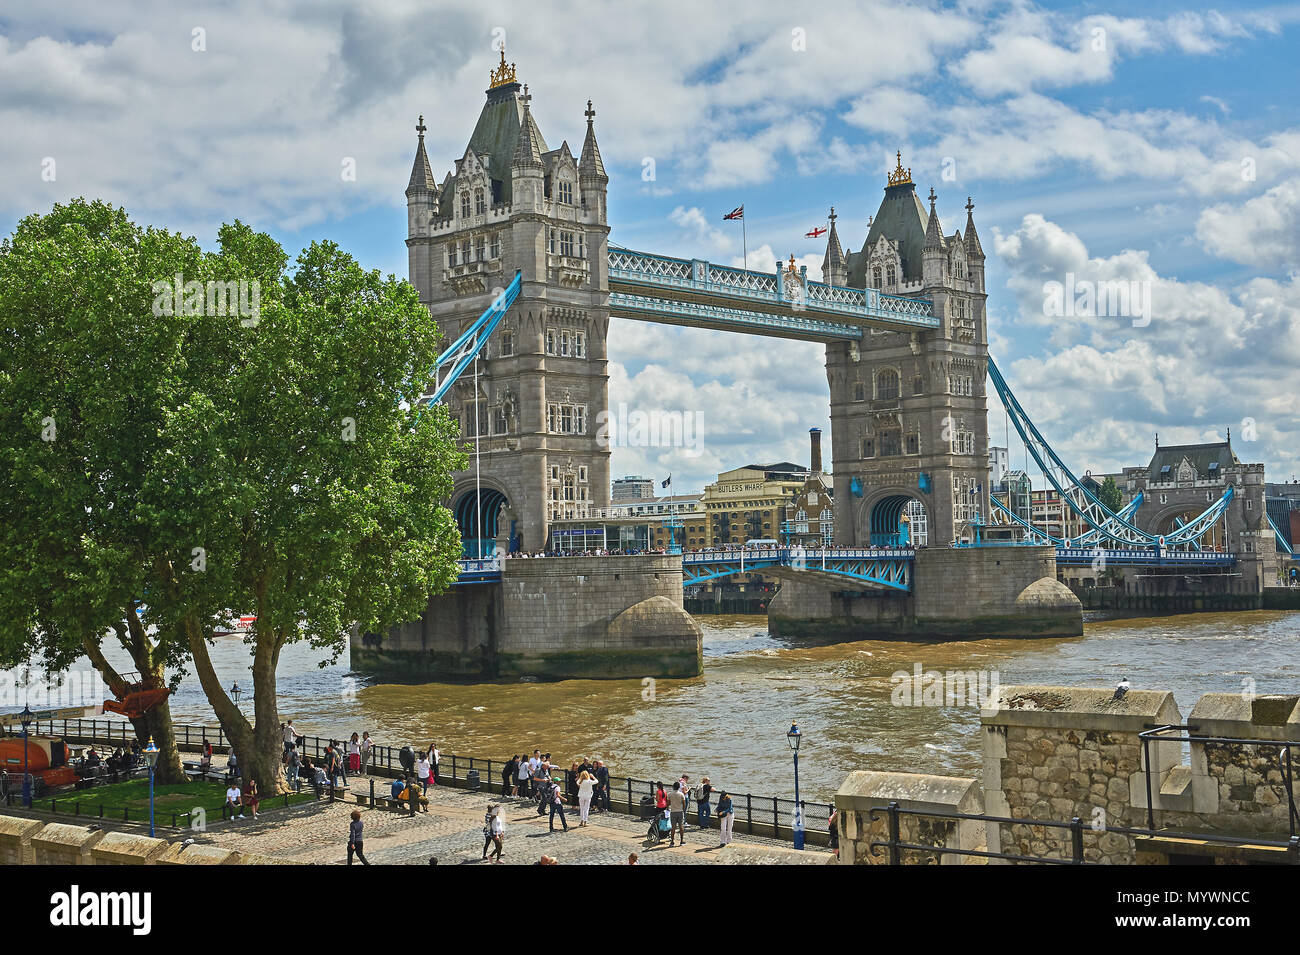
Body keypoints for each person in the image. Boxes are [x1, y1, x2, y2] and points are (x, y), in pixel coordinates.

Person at [667, 781, 686, 846]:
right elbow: (684, 804)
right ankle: (681, 841)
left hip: (673, 812)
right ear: (678, 787)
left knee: (673, 827)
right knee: (681, 827)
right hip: (680, 812)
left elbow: (668, 803)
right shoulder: (681, 794)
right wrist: (683, 810)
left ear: (673, 787)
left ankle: (672, 842)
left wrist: (668, 809)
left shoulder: (670, 794)